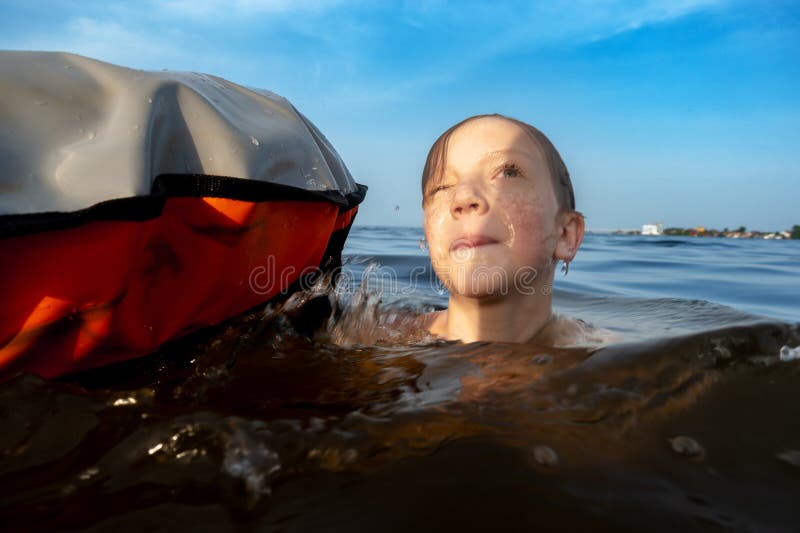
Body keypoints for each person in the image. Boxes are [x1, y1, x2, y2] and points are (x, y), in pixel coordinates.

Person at [421, 114, 590, 345]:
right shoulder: (376, 335)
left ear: (565, 235)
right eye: (442, 187)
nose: (462, 197)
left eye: (507, 173)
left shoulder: (613, 364)